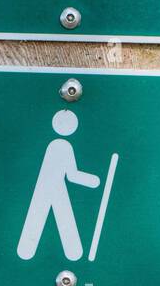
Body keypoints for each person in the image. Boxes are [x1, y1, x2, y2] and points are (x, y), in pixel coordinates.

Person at [16, 109, 100, 262]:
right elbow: (72, 175)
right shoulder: (62, 146)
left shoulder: (56, 145)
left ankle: (27, 252)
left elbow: (68, 175)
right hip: (49, 188)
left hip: (50, 189)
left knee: (43, 219)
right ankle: (71, 254)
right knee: (58, 218)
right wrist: (93, 181)